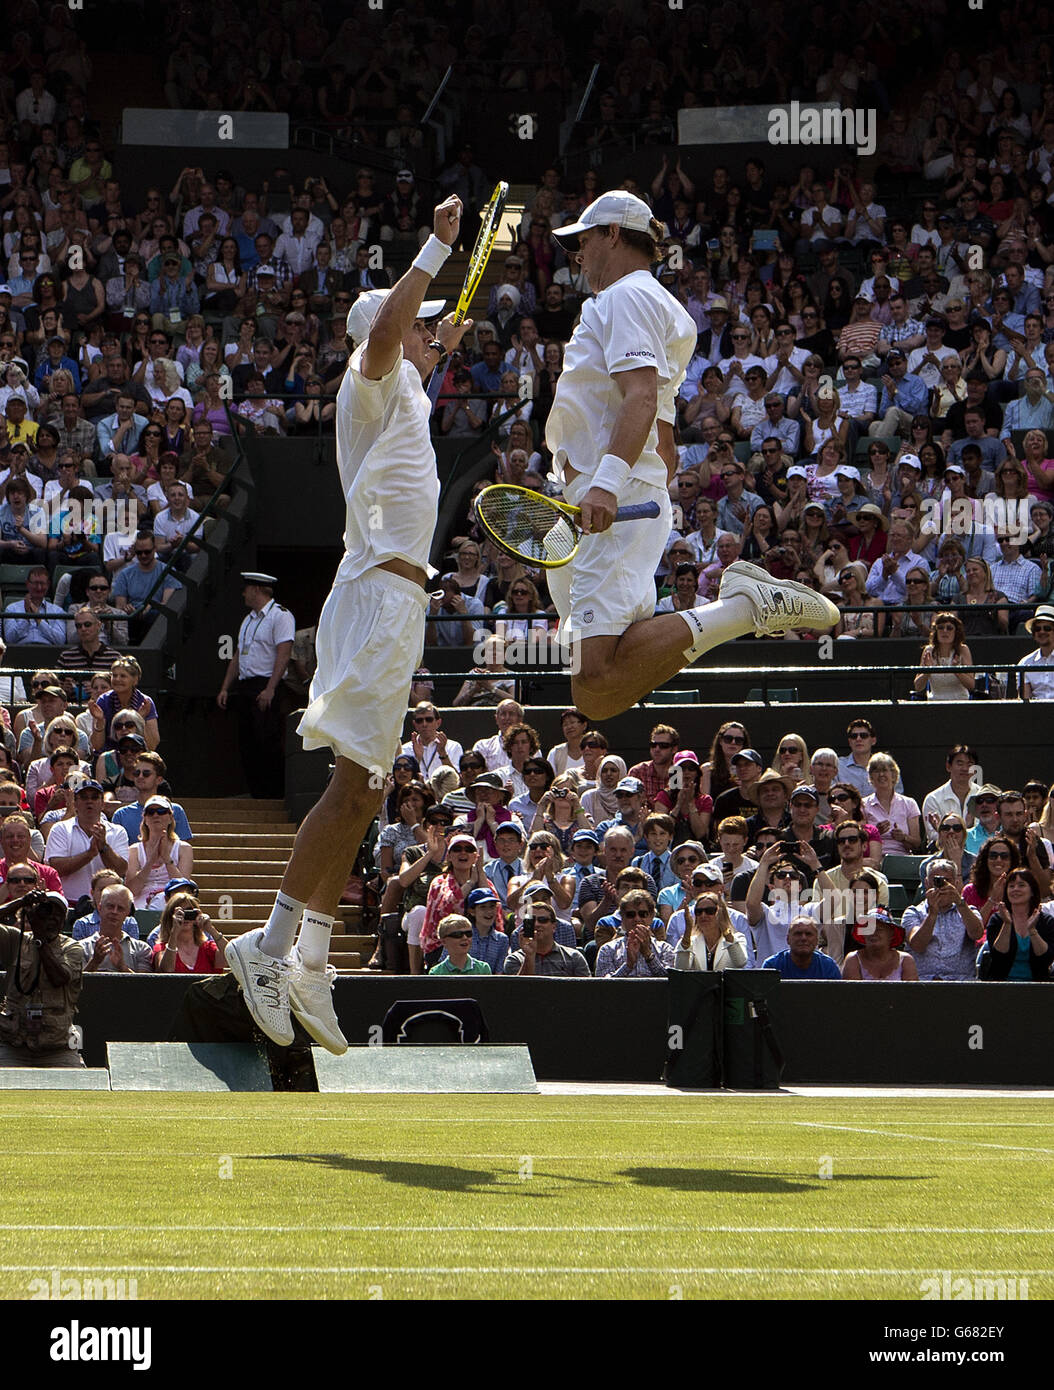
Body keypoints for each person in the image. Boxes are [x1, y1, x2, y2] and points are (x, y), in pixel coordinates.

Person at [542, 189, 835, 721]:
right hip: (611, 496)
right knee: (597, 694)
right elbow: (665, 440)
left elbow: (640, 397)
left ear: (611, 234)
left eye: (582, 241)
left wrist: (607, 485)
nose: (576, 255)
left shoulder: (626, 297)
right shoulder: (654, 305)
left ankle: (745, 608)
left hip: (613, 495)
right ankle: (742, 606)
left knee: (597, 678)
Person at [216, 572, 293, 799]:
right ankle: (257, 792)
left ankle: (275, 793)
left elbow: (284, 654)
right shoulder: (248, 620)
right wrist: (225, 687)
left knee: (267, 740)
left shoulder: (280, 616)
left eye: (246, 588)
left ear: (257, 590)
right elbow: (239, 655)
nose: (243, 593)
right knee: (247, 743)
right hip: (245, 685)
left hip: (266, 684)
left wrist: (270, 688)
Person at [0, 889, 84, 1067]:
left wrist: (40, 938)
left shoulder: (72, 948)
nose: (51, 918)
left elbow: (59, 978)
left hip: (57, 1048)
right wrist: (21, 903)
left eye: (58, 914)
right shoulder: (17, 941)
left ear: (63, 921)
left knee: (78, 1088)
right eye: (46, 912)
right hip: (14, 1044)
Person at [43, 779, 130, 903]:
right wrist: (89, 854)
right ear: (75, 803)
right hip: (69, 903)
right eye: (83, 797)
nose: (89, 801)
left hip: (107, 905)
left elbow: (121, 870)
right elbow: (56, 868)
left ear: (102, 804)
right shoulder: (60, 829)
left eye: (94, 798)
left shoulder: (118, 831)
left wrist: (104, 847)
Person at [902, 859, 984, 980]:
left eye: (947, 881)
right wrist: (932, 913)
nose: (941, 885)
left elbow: (977, 934)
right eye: (936, 880)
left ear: (956, 883)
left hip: (961, 983)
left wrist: (960, 902)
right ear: (926, 883)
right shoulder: (913, 913)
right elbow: (917, 945)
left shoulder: (969, 911)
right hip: (924, 982)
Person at [978, 868, 1054, 980]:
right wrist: (1007, 924)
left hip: (1038, 989)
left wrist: (1032, 931)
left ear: (1032, 891)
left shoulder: (1046, 921)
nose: (1015, 889)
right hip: (1002, 988)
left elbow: (1046, 958)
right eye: (1011, 886)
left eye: (1021, 885)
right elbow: (998, 956)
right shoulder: (998, 920)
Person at [124, 794, 192, 910]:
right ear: (144, 819)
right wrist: (150, 862)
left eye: (161, 811)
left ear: (170, 817)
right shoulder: (134, 850)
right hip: (141, 904)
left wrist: (166, 858)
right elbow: (131, 890)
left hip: (173, 902)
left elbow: (184, 890)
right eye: (150, 812)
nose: (156, 815)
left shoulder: (184, 848)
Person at [501, 895, 589, 976]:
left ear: (554, 926)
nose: (537, 924)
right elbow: (520, 990)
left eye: (543, 920)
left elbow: (587, 991)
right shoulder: (514, 960)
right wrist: (529, 956)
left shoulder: (574, 958)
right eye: (532, 920)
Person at [595, 890, 675, 977]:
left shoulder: (665, 949)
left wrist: (648, 955)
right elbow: (604, 986)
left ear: (651, 916)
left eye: (643, 914)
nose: (637, 919)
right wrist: (628, 965)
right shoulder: (608, 949)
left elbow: (670, 982)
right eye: (630, 914)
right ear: (622, 918)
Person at [80, 883, 153, 973]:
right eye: (110, 906)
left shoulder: (142, 949)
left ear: (128, 912)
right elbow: (76, 984)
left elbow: (145, 985)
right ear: (99, 907)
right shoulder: (81, 948)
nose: (114, 912)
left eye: (120, 908)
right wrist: (94, 962)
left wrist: (122, 967)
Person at [673, 890, 750, 971]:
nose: (703, 915)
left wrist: (725, 929)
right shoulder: (689, 941)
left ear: (720, 913)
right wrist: (688, 931)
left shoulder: (737, 938)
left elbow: (740, 963)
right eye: (699, 912)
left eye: (710, 911)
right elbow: (680, 969)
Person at [152, 890, 227, 973]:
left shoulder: (208, 948)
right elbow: (167, 970)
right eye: (179, 913)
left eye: (189, 911)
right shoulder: (162, 948)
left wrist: (211, 929)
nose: (184, 916)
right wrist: (174, 932)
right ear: (170, 917)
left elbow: (230, 959)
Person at [841, 907, 919, 980]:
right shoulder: (853, 959)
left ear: (891, 934)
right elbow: (852, 993)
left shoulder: (905, 961)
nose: (873, 933)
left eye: (879, 929)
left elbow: (911, 993)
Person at [762, 915, 843, 979]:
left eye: (808, 934)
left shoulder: (828, 967)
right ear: (788, 939)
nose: (803, 938)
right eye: (798, 933)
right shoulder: (772, 967)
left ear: (816, 941)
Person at [428, 912, 493, 976]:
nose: (465, 938)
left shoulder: (483, 969)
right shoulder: (436, 973)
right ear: (444, 942)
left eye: (468, 934)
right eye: (457, 935)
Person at [1019, 603, 1054, 699]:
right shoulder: (1025, 663)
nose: (1042, 632)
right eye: (1037, 629)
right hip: (1036, 712)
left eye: (1047, 628)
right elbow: (1024, 702)